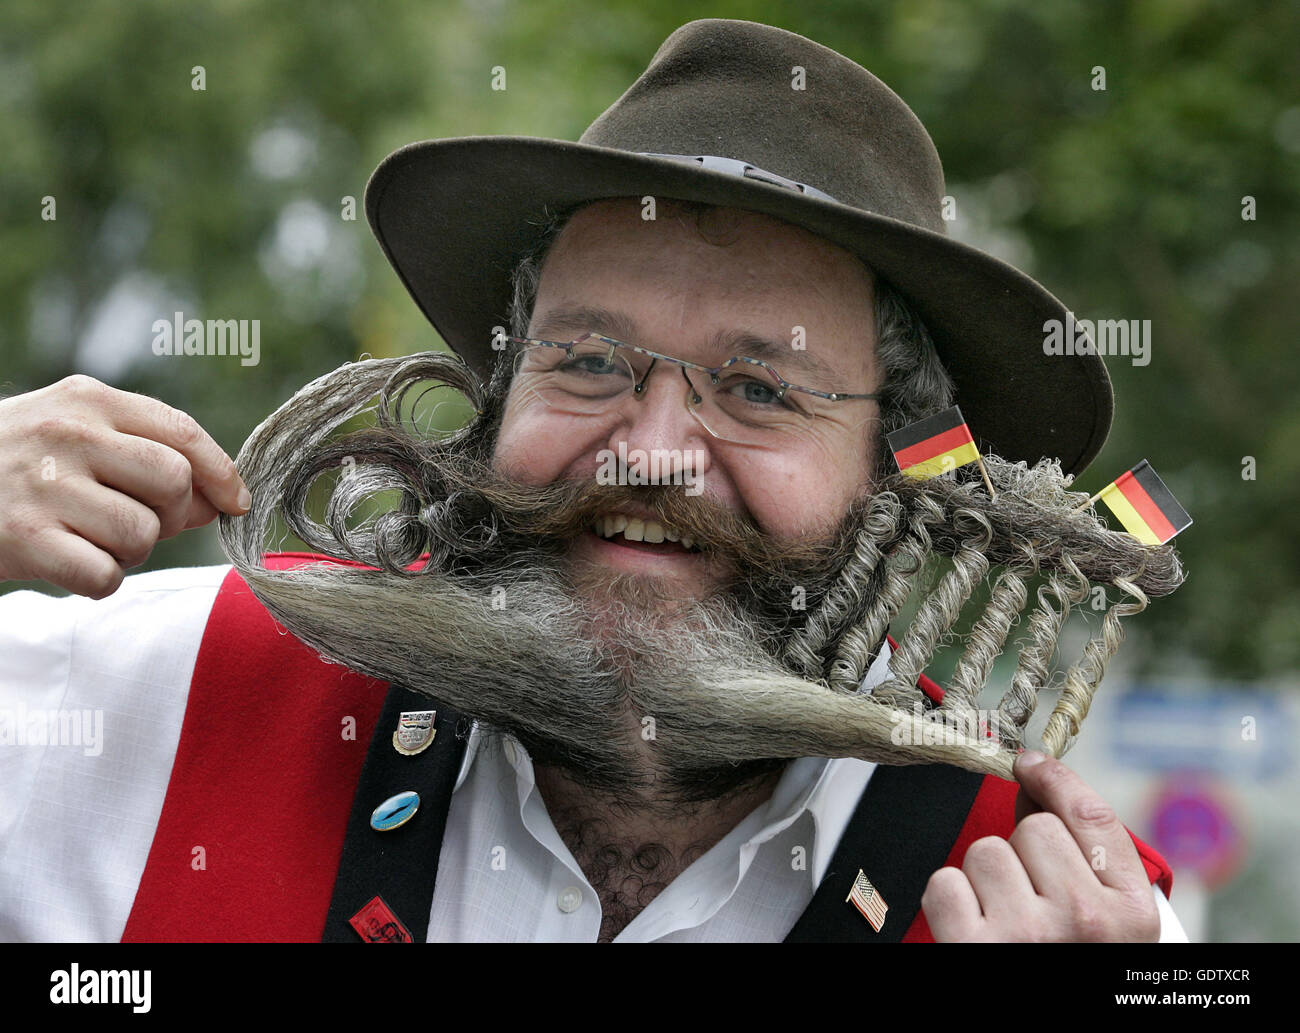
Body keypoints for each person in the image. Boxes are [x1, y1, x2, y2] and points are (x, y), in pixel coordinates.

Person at [0, 18, 1184, 942]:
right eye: (586, 362)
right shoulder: (139, 694)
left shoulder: (1068, 912)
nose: (648, 450)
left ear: (901, 474)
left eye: (759, 388)